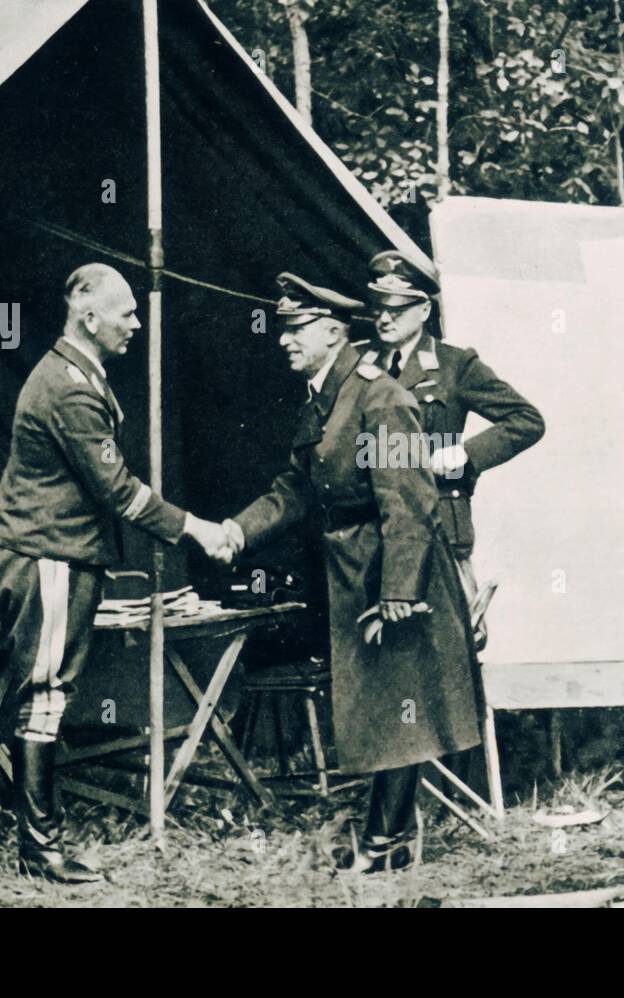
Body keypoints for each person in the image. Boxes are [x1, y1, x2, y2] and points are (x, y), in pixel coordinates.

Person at [217, 272, 481, 872]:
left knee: (398, 704)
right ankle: (388, 839)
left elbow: (409, 500)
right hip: (353, 561)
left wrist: (397, 592)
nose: (284, 338)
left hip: (393, 564)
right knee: (383, 706)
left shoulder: (378, 396)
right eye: (282, 327)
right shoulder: (325, 395)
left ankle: (387, 844)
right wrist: (238, 530)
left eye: (297, 327)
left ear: (334, 331)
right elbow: (295, 488)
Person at [0, 262, 228, 882]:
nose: (136, 325)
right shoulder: (67, 385)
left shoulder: (76, 373)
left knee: (48, 693)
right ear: (91, 320)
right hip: (48, 556)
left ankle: (39, 841)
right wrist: (196, 528)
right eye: (127, 315)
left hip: (54, 553)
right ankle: (40, 850)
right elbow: (118, 492)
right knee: (44, 696)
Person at [362, 249, 545, 791]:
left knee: (448, 660)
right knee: (388, 664)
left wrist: (465, 455)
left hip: (443, 532)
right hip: (380, 535)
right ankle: (393, 791)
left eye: (397, 307)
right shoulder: (362, 367)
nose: (385, 317)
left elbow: (526, 419)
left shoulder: (456, 364)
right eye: (378, 307)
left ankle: (459, 788)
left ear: (424, 309)